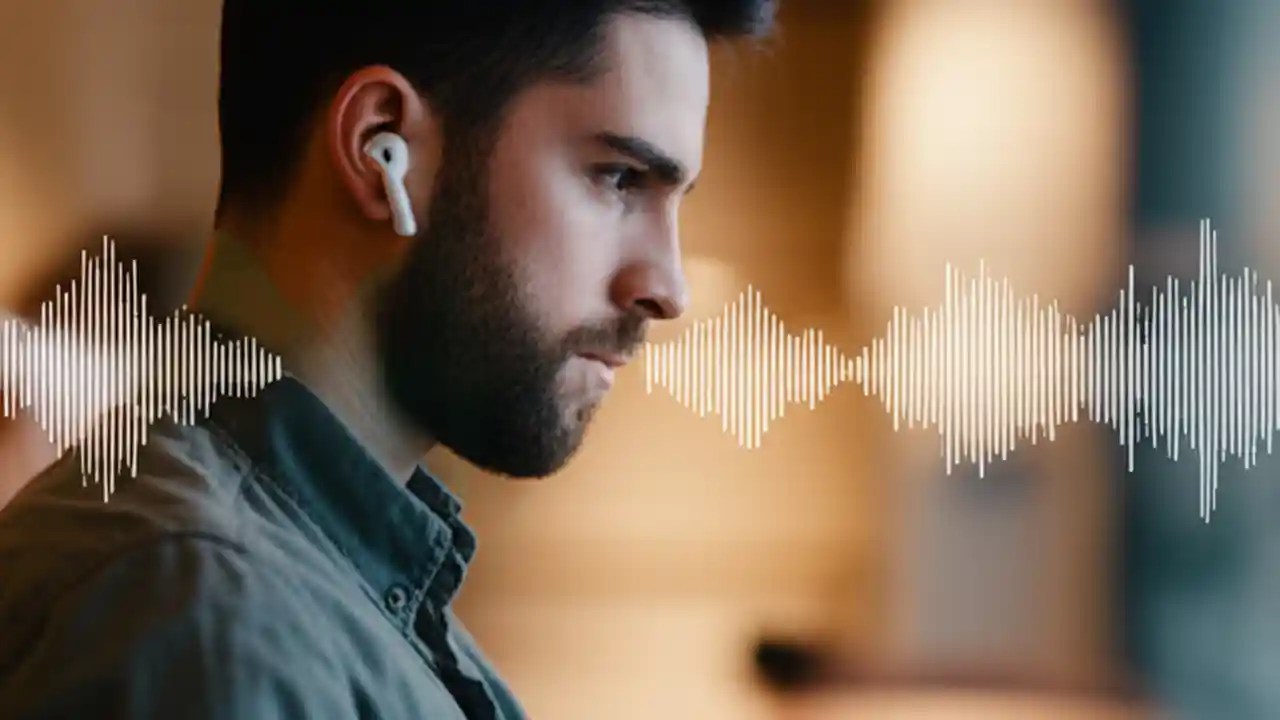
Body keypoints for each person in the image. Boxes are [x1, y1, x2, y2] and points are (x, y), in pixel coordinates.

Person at [0, 2, 776, 718]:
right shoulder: (209, 622)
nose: (667, 288)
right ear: (382, 150)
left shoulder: (321, 594)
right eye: (619, 178)